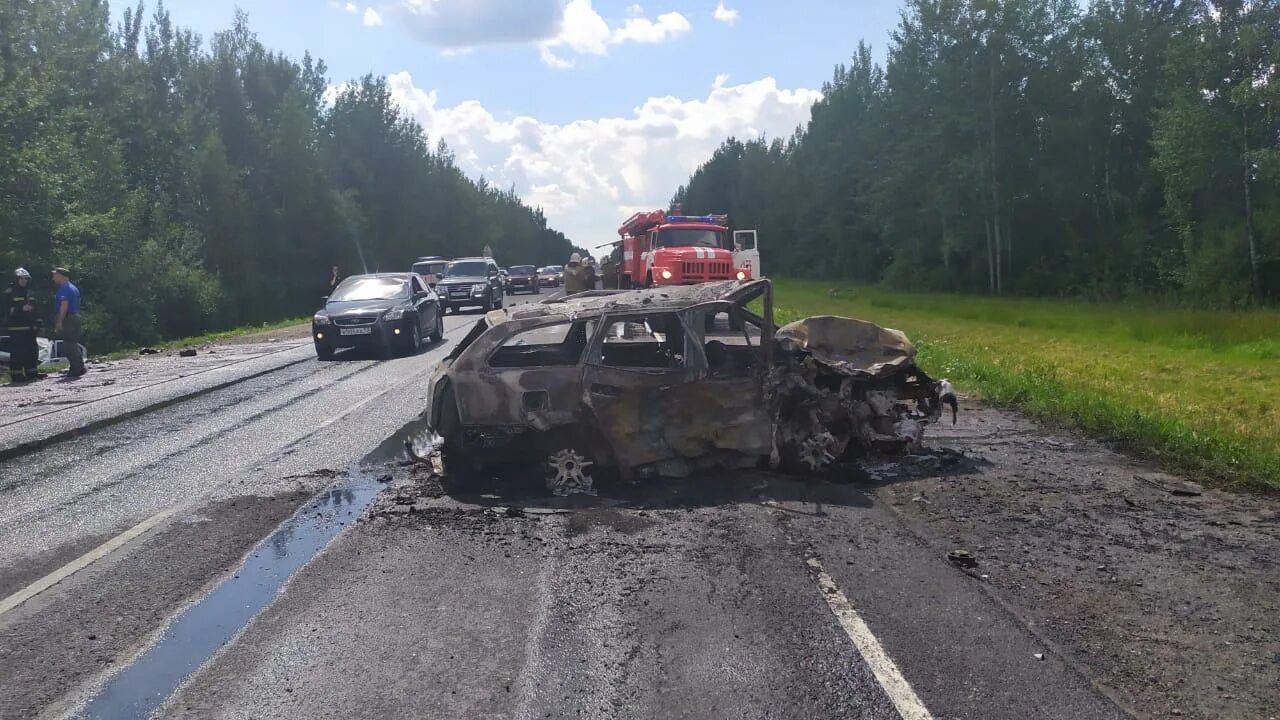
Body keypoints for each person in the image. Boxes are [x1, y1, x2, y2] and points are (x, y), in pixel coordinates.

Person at [4, 268, 42, 382]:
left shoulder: (30, 293)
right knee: (18, 353)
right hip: (16, 329)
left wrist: (39, 323)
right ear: (16, 279)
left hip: (30, 329)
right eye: (22, 278)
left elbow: (37, 310)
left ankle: (32, 373)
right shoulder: (8, 293)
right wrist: (20, 308)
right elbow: (5, 311)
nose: (24, 281)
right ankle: (17, 376)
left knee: (32, 351)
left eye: (26, 279)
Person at [51, 267, 86, 378]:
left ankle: (77, 369)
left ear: (61, 276)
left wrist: (59, 321)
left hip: (68, 318)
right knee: (72, 343)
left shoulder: (65, 288)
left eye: (55, 275)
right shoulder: (72, 287)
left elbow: (64, 306)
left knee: (69, 344)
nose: (53, 278)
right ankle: (78, 367)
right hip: (75, 316)